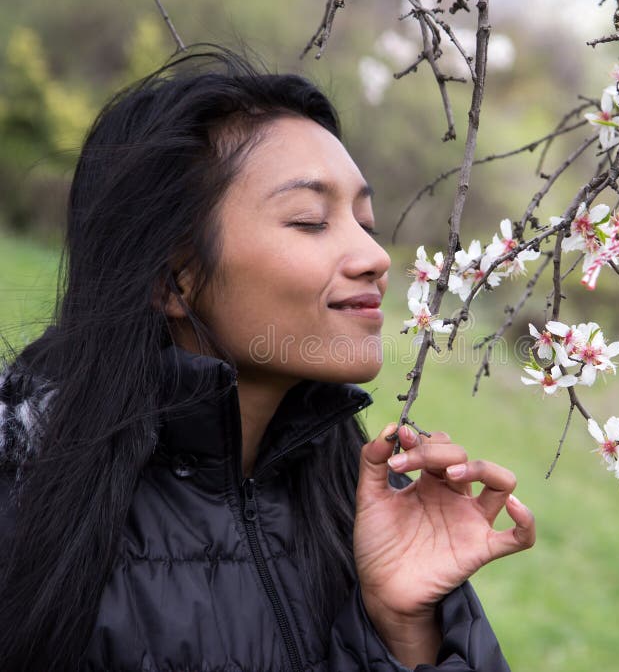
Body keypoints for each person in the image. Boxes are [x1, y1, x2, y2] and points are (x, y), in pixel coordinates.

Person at [0, 47, 535, 671]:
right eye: (310, 220)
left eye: (365, 221)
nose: (374, 256)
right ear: (175, 280)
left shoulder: (364, 505)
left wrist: (401, 625)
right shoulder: (25, 500)